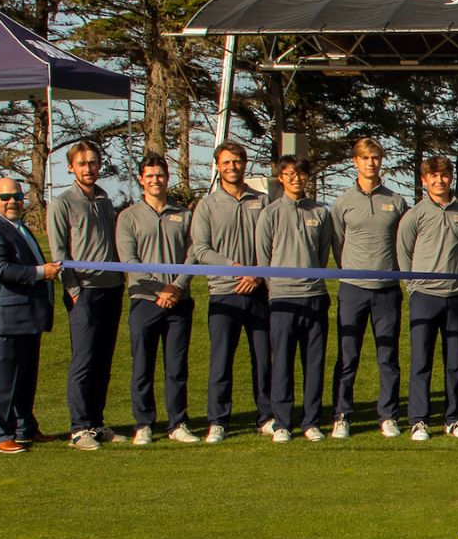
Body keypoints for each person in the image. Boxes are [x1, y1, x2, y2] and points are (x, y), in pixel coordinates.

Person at [191, 141, 273, 444]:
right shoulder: (208, 205)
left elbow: (272, 243)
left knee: (264, 358)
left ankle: (266, 416)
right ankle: (218, 420)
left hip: (259, 291)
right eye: (226, 162)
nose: (232, 167)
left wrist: (257, 274)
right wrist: (235, 267)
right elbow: (201, 249)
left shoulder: (262, 201)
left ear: (244, 163)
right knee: (221, 360)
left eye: (237, 161)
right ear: (218, 166)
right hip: (224, 292)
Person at [115, 152, 197, 445]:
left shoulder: (184, 215)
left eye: (159, 175)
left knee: (176, 367)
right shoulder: (128, 217)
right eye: (149, 176)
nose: (155, 180)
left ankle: (178, 423)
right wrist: (158, 290)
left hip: (179, 301)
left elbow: (193, 254)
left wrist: (176, 287)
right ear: (141, 180)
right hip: (144, 300)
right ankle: (144, 424)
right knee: (143, 366)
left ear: (167, 177)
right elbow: (129, 261)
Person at [329, 137, 408, 439]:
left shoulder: (396, 201)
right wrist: (348, 270)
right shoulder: (343, 202)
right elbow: (337, 242)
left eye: (375, 157)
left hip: (387, 289)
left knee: (387, 355)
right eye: (365, 158)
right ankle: (342, 415)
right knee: (348, 356)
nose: (371, 163)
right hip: (353, 289)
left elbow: (402, 242)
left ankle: (388, 415)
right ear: (355, 162)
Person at [0, 179, 58, 453]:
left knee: (24, 379)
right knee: (1, 381)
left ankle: (25, 430)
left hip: (26, 318)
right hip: (2, 320)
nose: (12, 201)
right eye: (6, 196)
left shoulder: (19, 228)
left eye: (17, 196)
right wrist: (40, 273)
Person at [47, 139, 122, 451]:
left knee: (103, 360)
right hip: (85, 293)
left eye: (93, 162)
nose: (88, 168)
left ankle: (96, 421)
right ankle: (79, 428)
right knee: (84, 360)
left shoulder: (106, 201)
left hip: (112, 288)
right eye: (82, 163)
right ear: (71, 167)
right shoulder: (62, 203)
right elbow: (59, 252)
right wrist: (74, 290)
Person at [257, 155, 337, 443]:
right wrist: (276, 287)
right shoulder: (270, 213)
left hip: (314, 296)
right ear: (281, 177)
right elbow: (263, 255)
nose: (295, 179)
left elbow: (324, 250)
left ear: (307, 177)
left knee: (314, 363)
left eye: (300, 174)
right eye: (289, 174)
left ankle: (311, 421)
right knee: (282, 364)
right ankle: (281, 423)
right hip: (282, 299)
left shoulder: (320, 211)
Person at [396, 155, 458, 441]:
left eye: (444, 176)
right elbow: (403, 252)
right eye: (434, 176)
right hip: (424, 297)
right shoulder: (415, 214)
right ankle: (419, 420)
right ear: (424, 180)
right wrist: (412, 287)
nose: (439, 181)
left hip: (456, 297)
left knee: (454, 362)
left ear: (450, 178)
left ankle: (454, 419)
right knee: (421, 360)